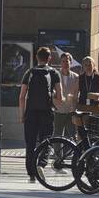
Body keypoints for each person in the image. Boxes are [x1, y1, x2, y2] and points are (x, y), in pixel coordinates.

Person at [19, 47, 62, 182]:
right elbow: (60, 97)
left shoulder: (29, 72)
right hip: (47, 112)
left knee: (30, 143)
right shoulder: (54, 73)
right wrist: (52, 95)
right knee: (47, 140)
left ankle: (31, 174)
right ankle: (41, 164)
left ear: (37, 58)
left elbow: (22, 96)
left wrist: (22, 114)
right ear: (49, 58)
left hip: (31, 113)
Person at [52, 52, 81, 138]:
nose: (65, 63)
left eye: (67, 61)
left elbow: (76, 94)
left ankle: (69, 152)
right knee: (57, 135)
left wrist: (74, 100)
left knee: (70, 136)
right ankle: (57, 152)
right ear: (60, 63)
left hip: (70, 111)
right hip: (58, 110)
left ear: (71, 62)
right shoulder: (55, 75)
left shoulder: (76, 77)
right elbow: (52, 91)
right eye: (63, 61)